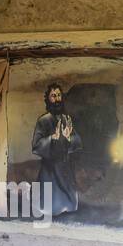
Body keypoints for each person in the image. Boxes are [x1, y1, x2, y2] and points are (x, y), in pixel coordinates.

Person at [30, 82, 82, 216]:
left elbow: (77, 142)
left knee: (69, 206)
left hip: (65, 168)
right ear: (48, 99)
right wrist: (52, 138)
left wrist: (68, 137)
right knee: (48, 206)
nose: (57, 98)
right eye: (53, 96)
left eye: (59, 95)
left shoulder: (66, 119)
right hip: (49, 169)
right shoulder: (43, 120)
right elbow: (36, 145)